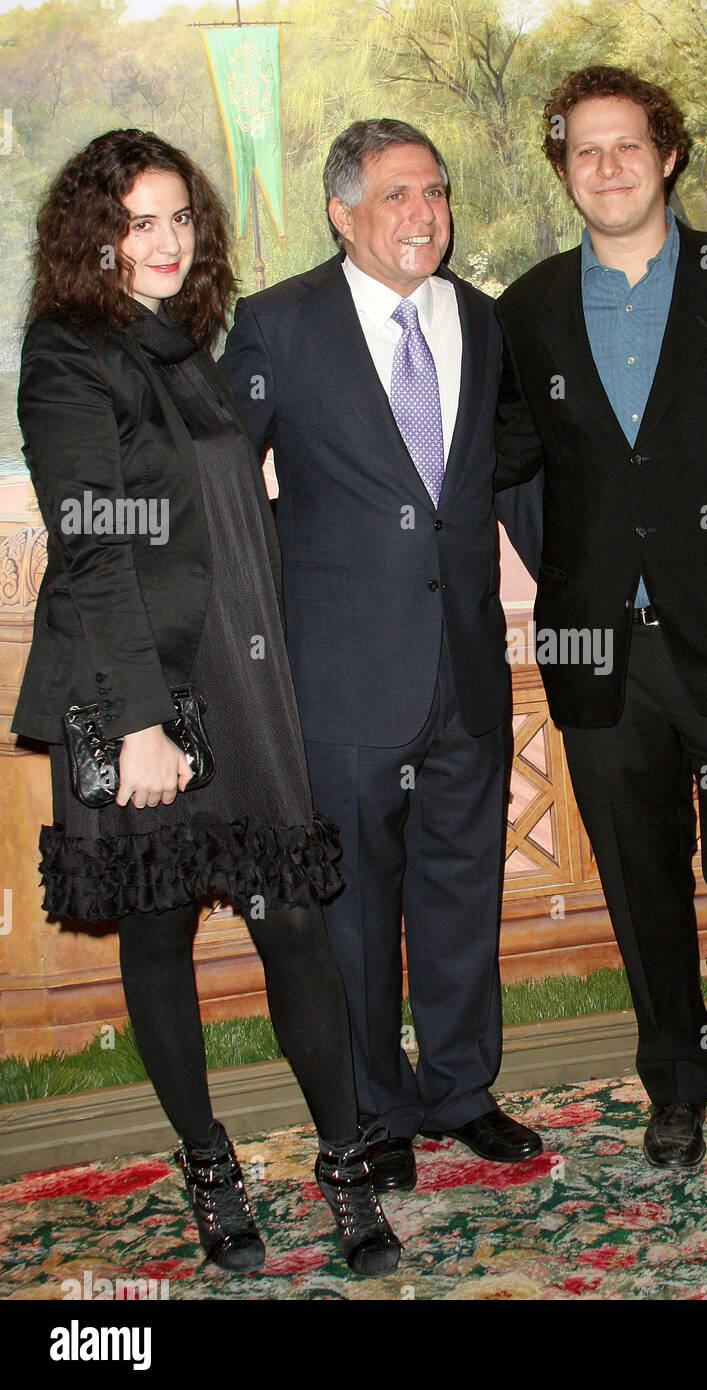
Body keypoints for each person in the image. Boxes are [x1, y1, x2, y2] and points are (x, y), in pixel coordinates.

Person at [13, 129, 400, 1275]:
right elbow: (93, 546)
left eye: (180, 216)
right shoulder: (67, 354)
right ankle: (211, 1169)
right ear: (92, 234)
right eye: (139, 221)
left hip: (241, 678)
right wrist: (139, 720)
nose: (168, 239)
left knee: (292, 923)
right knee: (158, 930)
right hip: (142, 684)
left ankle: (343, 1159)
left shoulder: (184, 342)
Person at [494, 67, 707, 1168]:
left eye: (626, 145)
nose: (607, 167)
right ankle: (675, 1082)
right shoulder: (527, 309)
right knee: (642, 887)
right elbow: (497, 461)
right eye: (583, 151)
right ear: (563, 169)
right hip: (598, 653)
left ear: (667, 152)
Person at [220, 120, 544, 1191]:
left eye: (436, 193)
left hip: (465, 670)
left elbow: (505, 477)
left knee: (462, 888)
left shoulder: (485, 321)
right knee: (355, 904)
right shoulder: (276, 326)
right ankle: (376, 1104)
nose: (424, 215)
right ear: (342, 209)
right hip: (340, 678)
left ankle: (461, 1088)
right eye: (399, 194)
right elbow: (227, 496)